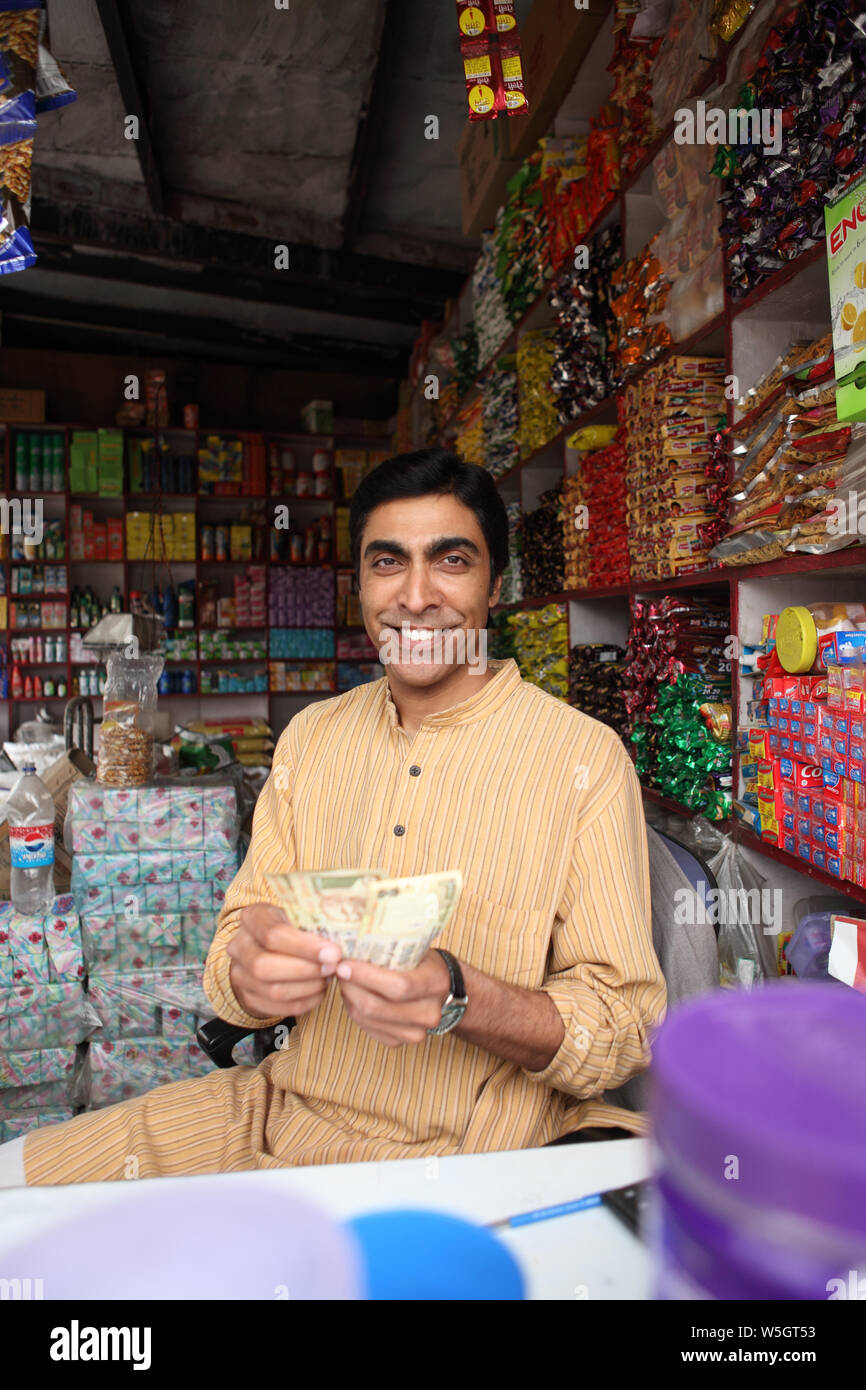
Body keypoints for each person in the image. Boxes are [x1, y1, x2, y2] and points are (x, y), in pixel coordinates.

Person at [2, 449, 665, 1187]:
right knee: (16, 1187)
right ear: (359, 588)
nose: (415, 597)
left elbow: (623, 1029)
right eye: (388, 564)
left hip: (472, 1155)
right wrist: (252, 981)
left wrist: (461, 994)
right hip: (274, 1116)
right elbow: (232, 954)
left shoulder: (582, 760)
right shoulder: (312, 738)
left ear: (495, 584)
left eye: (450, 561)